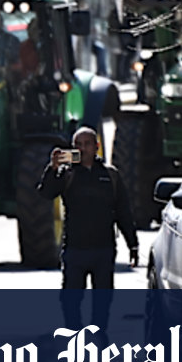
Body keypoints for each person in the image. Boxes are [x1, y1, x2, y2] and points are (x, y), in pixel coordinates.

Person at [37, 126, 139, 330]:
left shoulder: (110, 176)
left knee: (103, 301)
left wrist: (133, 245)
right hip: (75, 250)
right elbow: (46, 193)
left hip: (103, 250)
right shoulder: (67, 174)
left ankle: (98, 336)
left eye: (87, 144)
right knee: (70, 300)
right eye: (78, 145)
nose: (83, 149)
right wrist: (53, 168)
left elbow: (123, 212)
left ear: (96, 146)